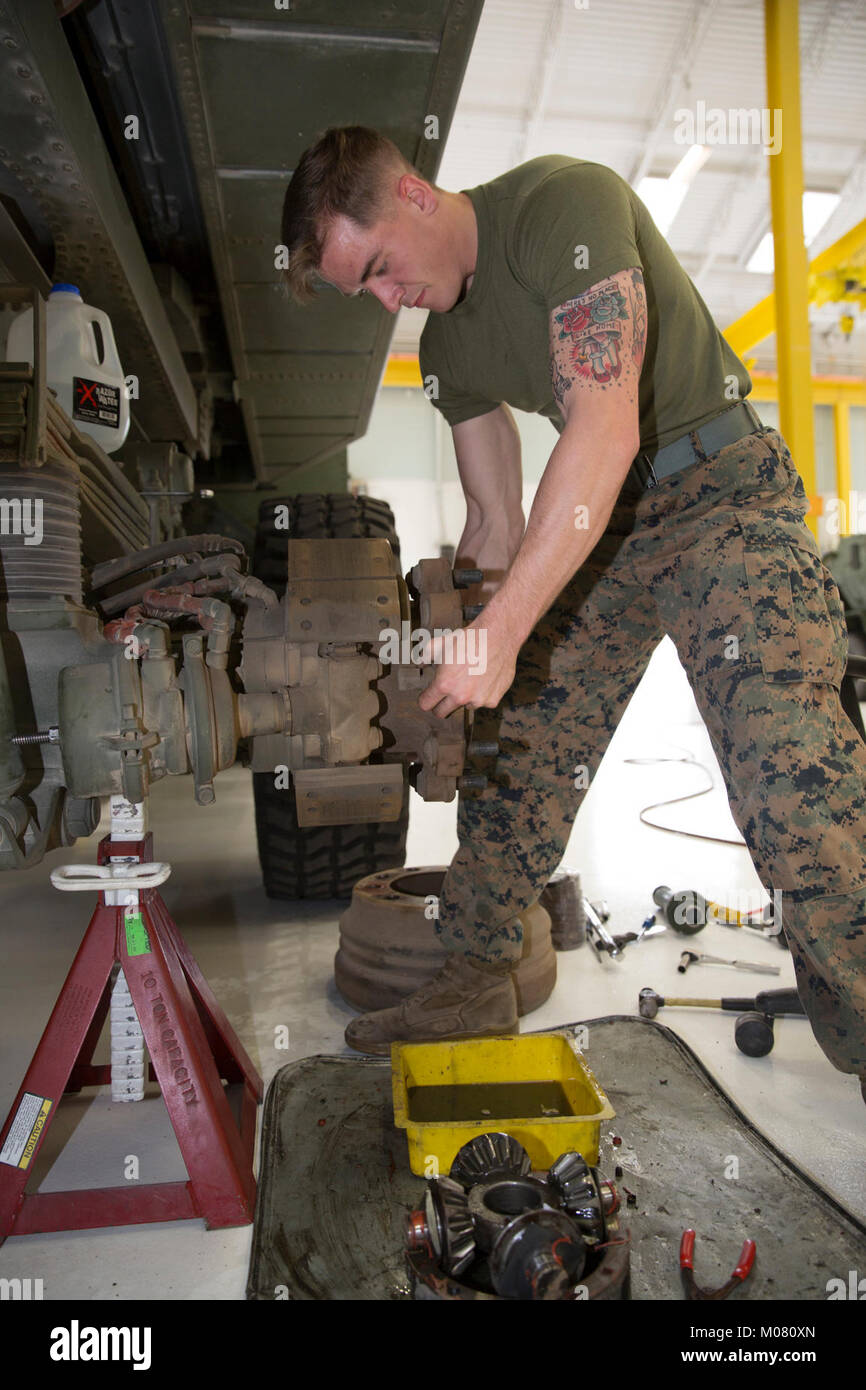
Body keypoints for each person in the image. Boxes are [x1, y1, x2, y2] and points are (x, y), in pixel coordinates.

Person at [280, 126, 866, 1094]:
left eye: (380, 269)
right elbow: (496, 519)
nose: (389, 300)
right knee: (521, 752)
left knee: (794, 785)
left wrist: (505, 631)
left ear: (415, 196)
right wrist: (462, 633)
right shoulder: (447, 350)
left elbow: (602, 425)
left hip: (716, 491)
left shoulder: (563, 206)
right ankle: (470, 975)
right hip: (612, 529)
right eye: (366, 293)